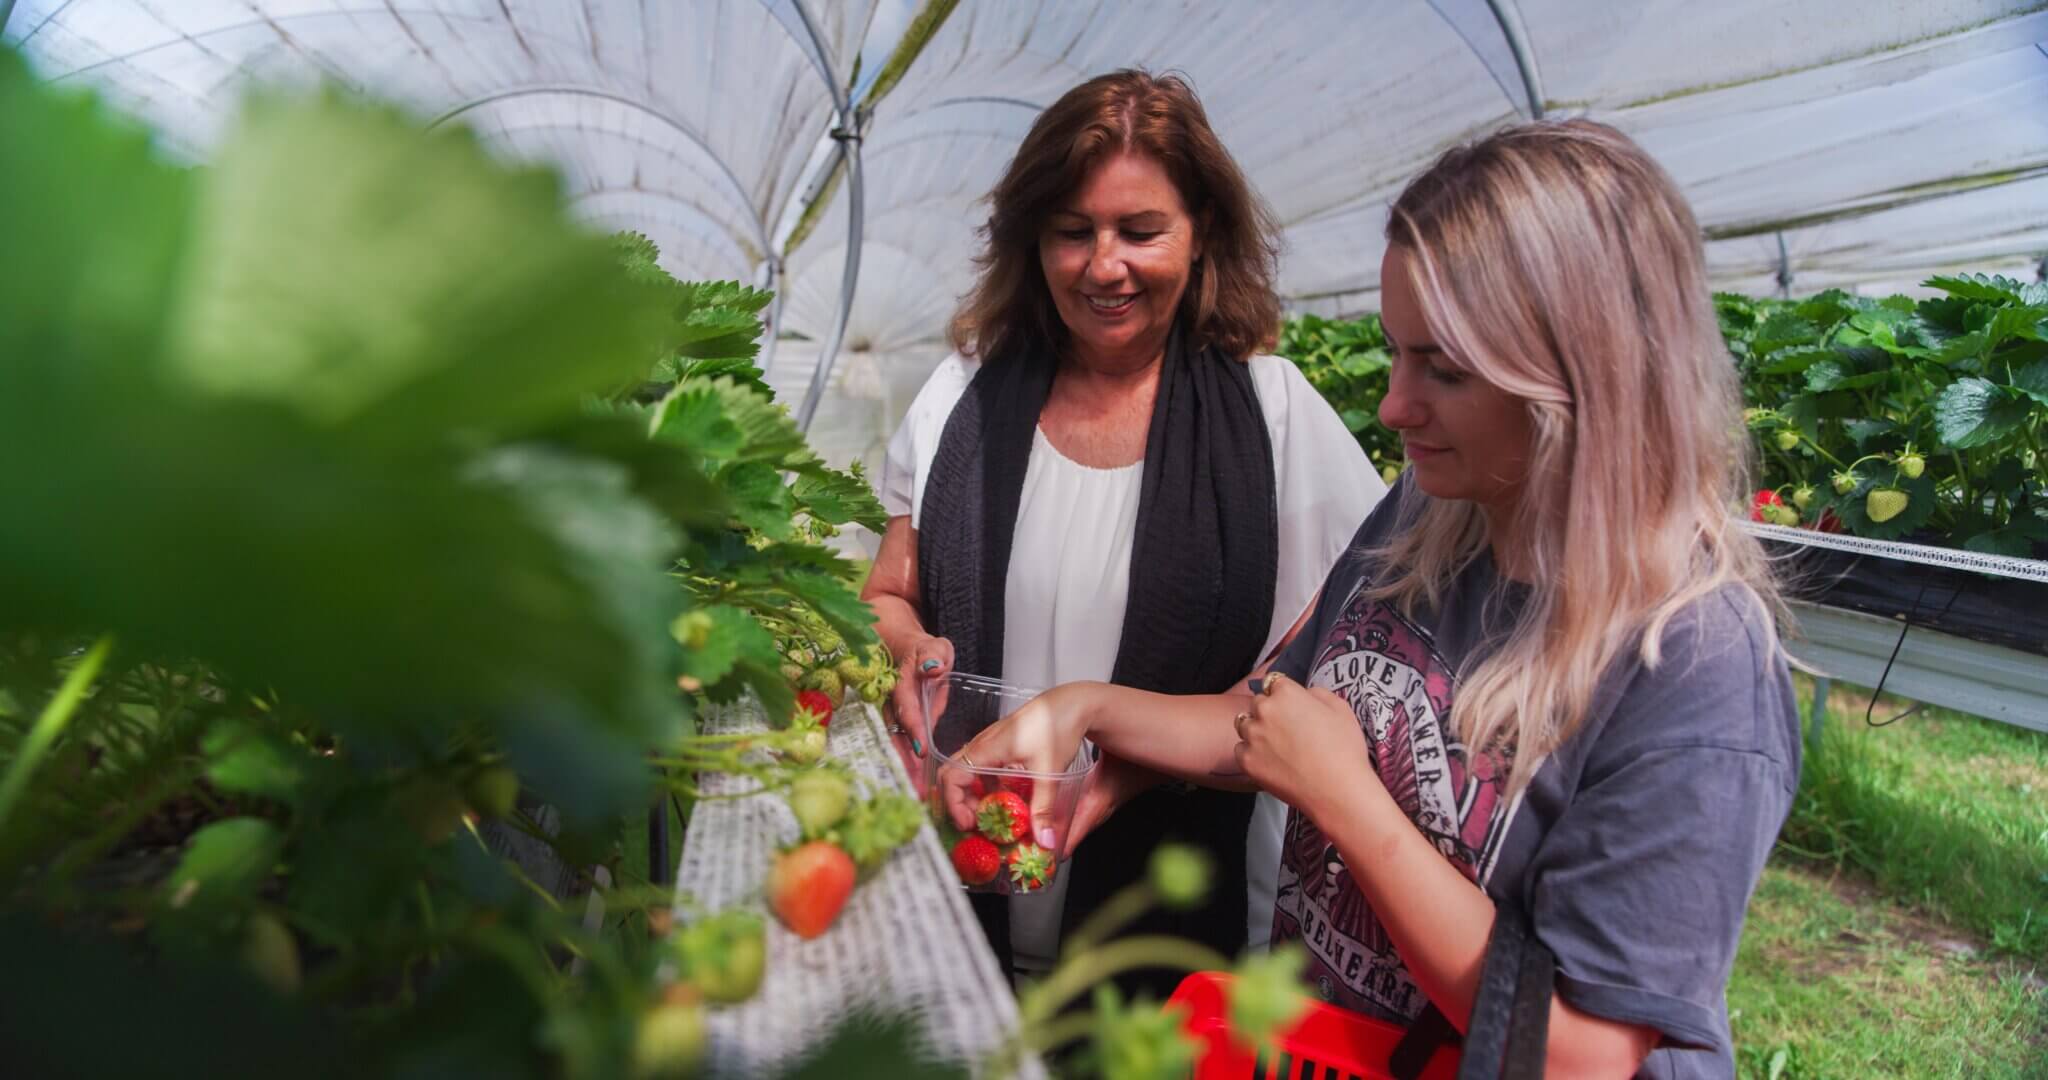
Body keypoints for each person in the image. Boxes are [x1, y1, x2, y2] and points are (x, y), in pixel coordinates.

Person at [952, 119, 1801, 1077]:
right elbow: (1268, 723)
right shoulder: (1430, 516)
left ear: (1582, 375)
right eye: (1396, 354)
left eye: (1443, 369)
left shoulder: (1694, 665)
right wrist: (1085, 711)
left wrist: (1344, 798)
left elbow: (1581, 1054)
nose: (1396, 406)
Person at [860, 69, 1385, 987]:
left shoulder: (1274, 419)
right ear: (1033, 242)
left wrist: (1120, 773)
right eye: (1074, 232)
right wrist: (908, 649)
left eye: (1141, 232)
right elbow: (888, 592)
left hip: (1175, 940)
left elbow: (1307, 695)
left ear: (1203, 232)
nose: (1105, 265)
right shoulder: (961, 401)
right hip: (960, 900)